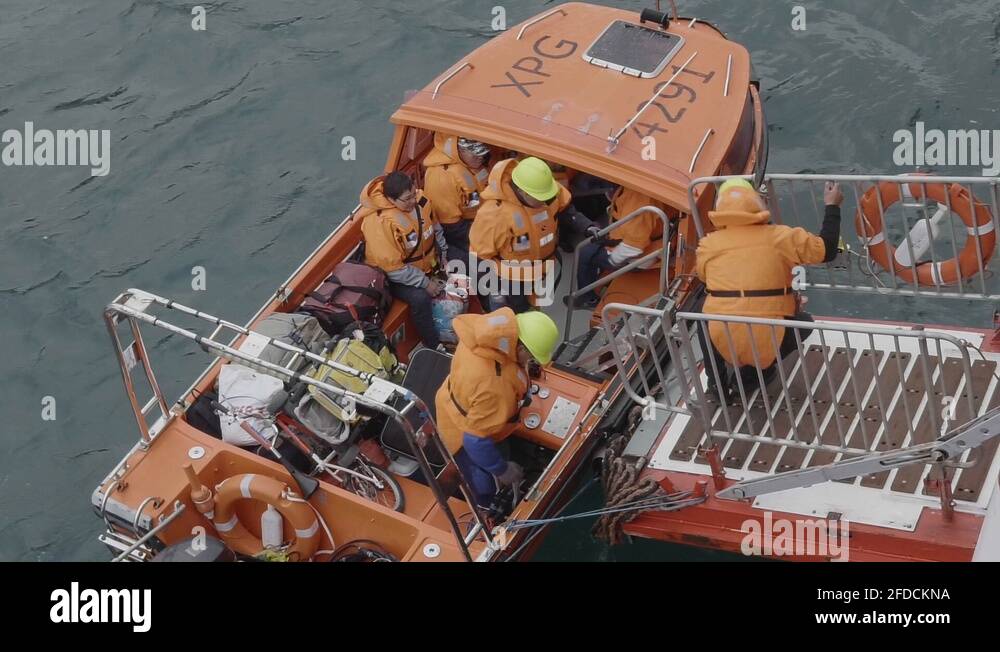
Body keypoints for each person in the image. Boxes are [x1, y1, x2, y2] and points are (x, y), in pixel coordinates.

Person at [695, 179, 843, 400]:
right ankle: (752, 375)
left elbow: (704, 277)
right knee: (805, 324)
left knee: (701, 313)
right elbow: (828, 250)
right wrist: (833, 205)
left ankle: (716, 385)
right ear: (758, 203)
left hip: (722, 337)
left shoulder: (708, 244)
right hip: (769, 337)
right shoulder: (782, 237)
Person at [435, 308, 560, 509]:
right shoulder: (493, 386)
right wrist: (502, 470)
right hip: (463, 431)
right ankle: (486, 510)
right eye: (532, 357)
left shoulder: (487, 333)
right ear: (520, 348)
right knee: (484, 485)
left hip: (457, 401)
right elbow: (474, 440)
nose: (531, 362)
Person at [470, 157, 597, 312]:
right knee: (516, 312)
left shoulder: (545, 192)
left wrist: (586, 226)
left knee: (534, 305)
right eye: (540, 199)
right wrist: (494, 289)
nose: (545, 202)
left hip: (540, 271)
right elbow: (479, 255)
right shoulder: (495, 215)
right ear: (522, 191)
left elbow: (566, 210)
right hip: (510, 281)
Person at [359, 171, 448, 349]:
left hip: (428, 261)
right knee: (420, 299)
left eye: (413, 194)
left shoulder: (421, 201)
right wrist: (425, 283)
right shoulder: (381, 223)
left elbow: (435, 228)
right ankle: (434, 345)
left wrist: (444, 255)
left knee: (463, 258)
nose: (413, 201)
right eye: (407, 199)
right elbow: (393, 269)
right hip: (394, 276)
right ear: (391, 200)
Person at [568, 184, 675, 309]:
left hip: (641, 256)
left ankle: (588, 299)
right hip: (630, 237)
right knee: (594, 243)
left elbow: (634, 246)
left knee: (585, 252)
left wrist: (612, 260)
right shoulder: (636, 189)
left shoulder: (638, 200)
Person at [422, 134, 491, 271]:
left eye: (482, 153)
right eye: (476, 154)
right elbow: (452, 227)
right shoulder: (442, 177)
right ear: (460, 150)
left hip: (484, 215)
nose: (481, 158)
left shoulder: (470, 162)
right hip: (460, 229)